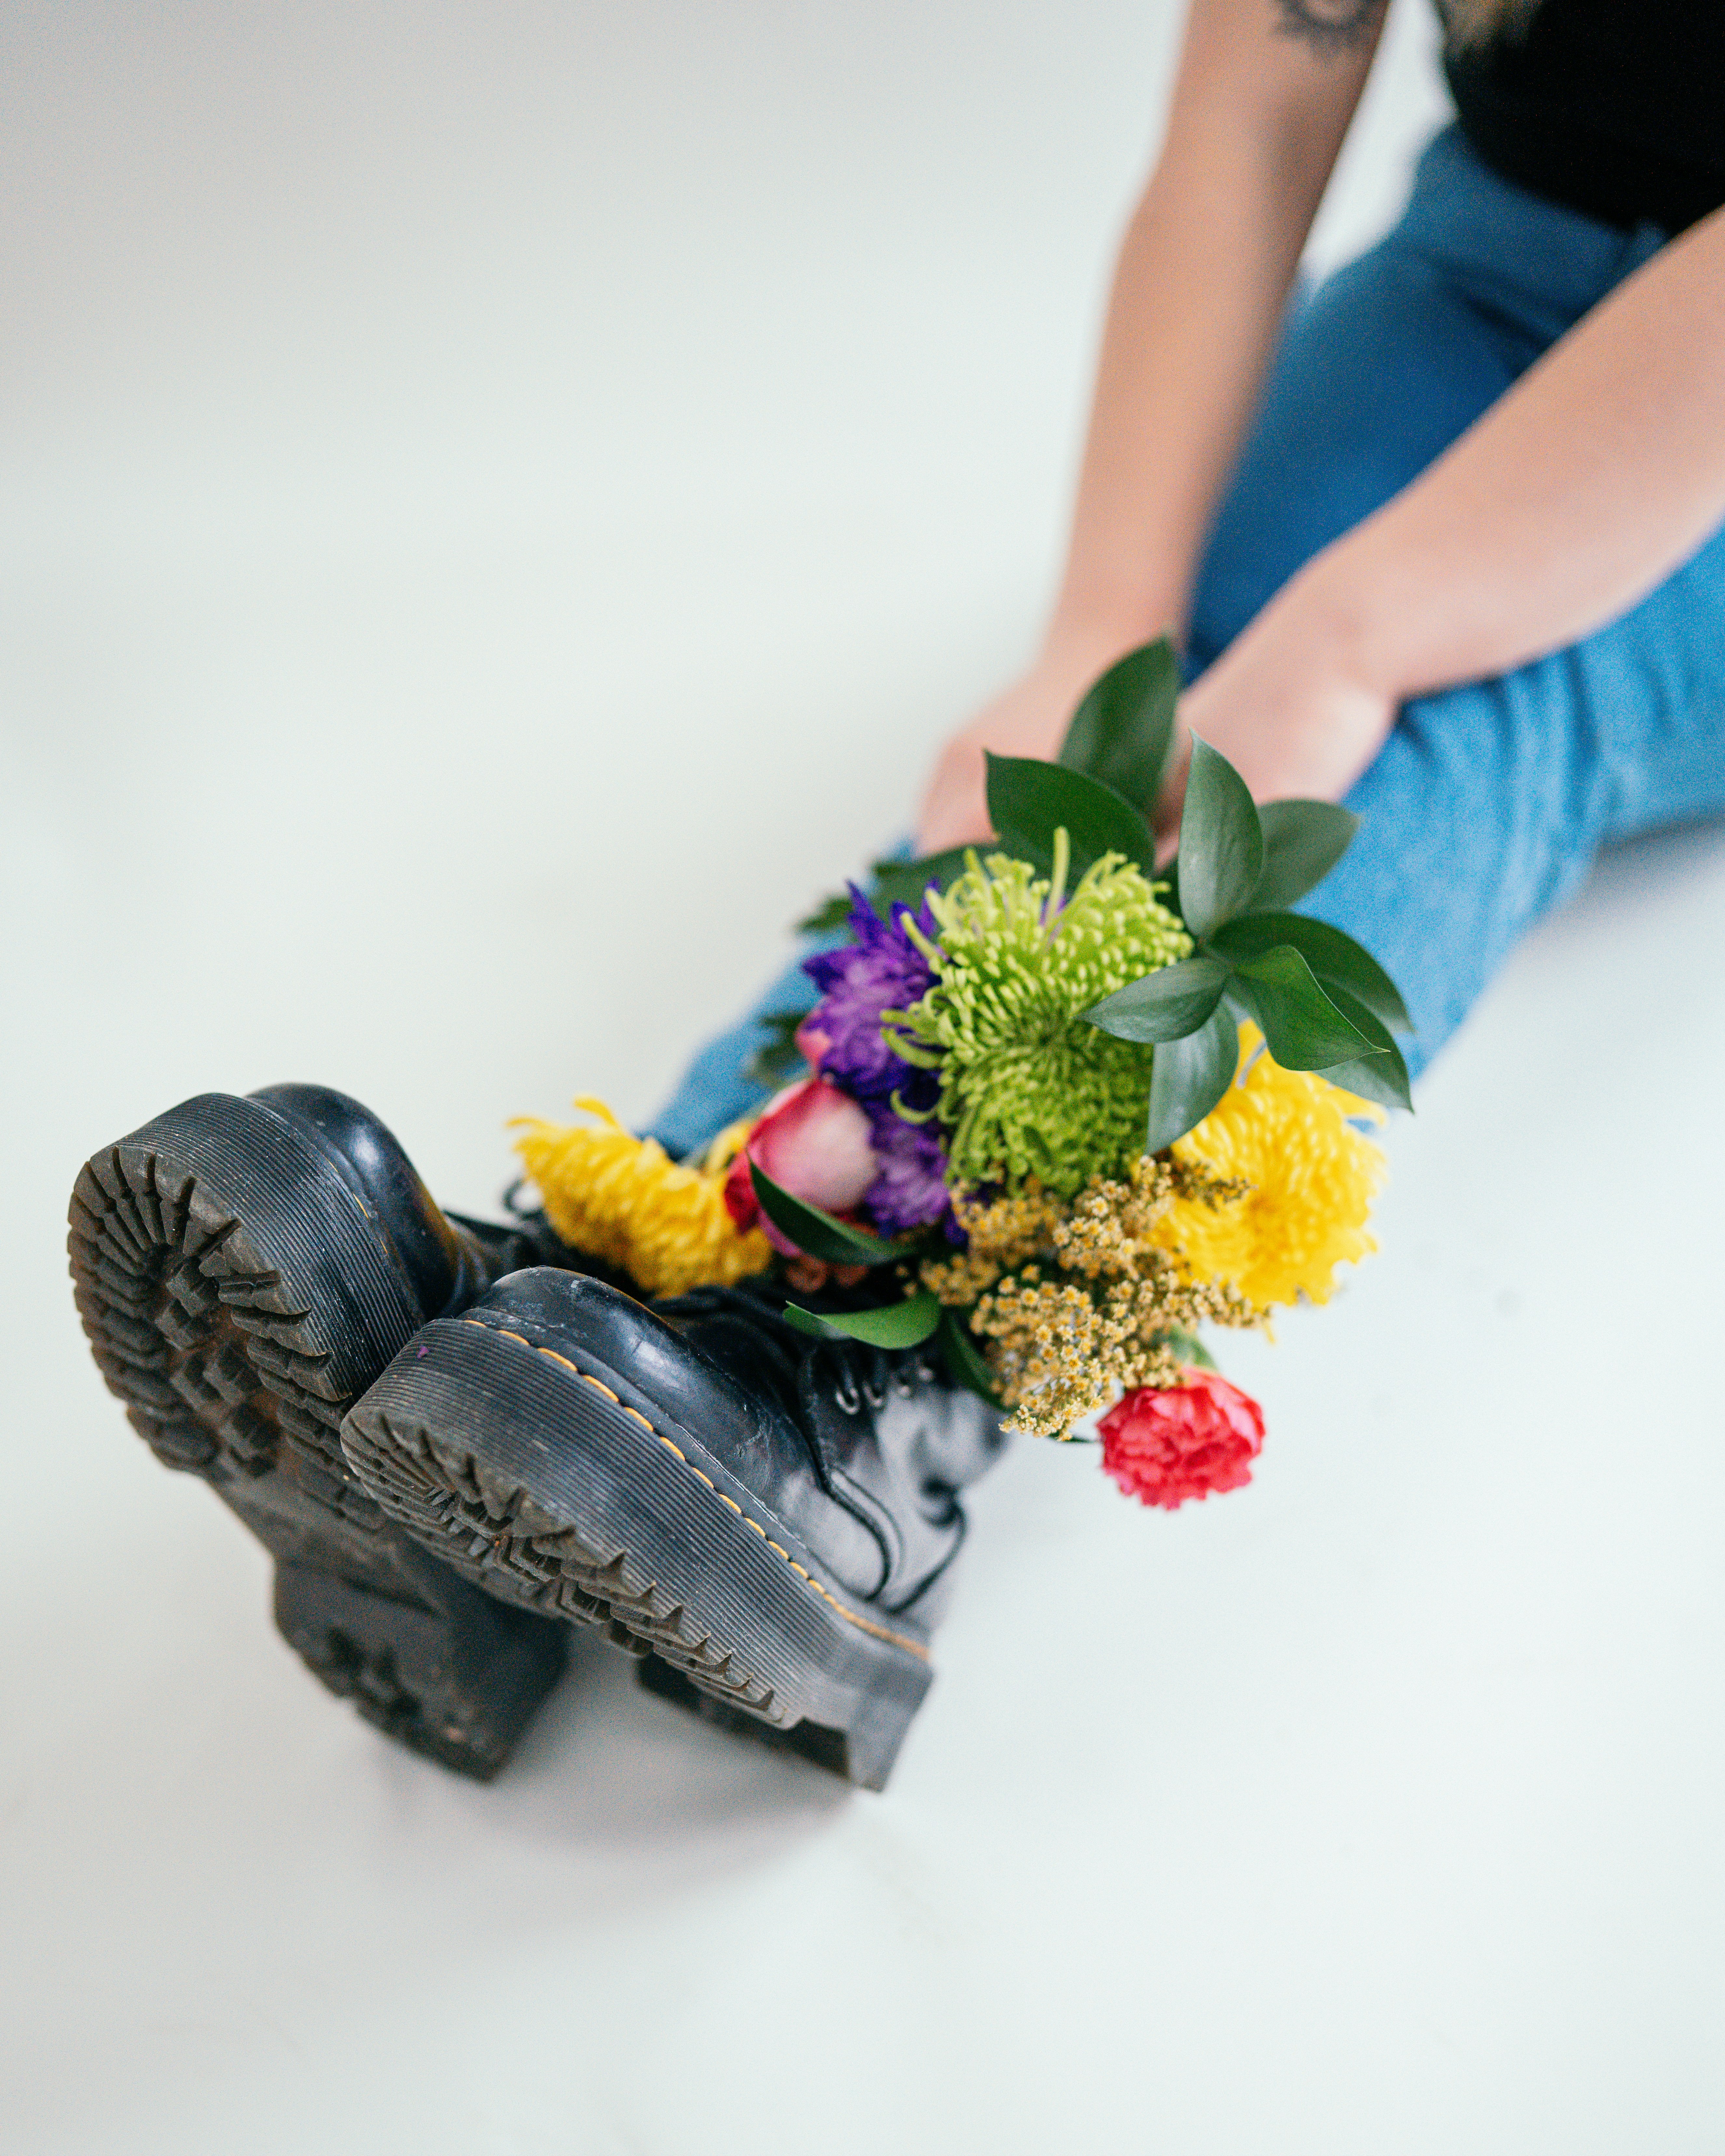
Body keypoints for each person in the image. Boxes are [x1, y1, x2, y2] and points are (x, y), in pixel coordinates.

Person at [70, 0, 1725, 1787]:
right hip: (1488, 259)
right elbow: (1246, 129)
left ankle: (866, 1430)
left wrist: (1355, 633)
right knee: (1145, 740)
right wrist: (1102, 648)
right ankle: (613, 1304)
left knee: (1465, 710)